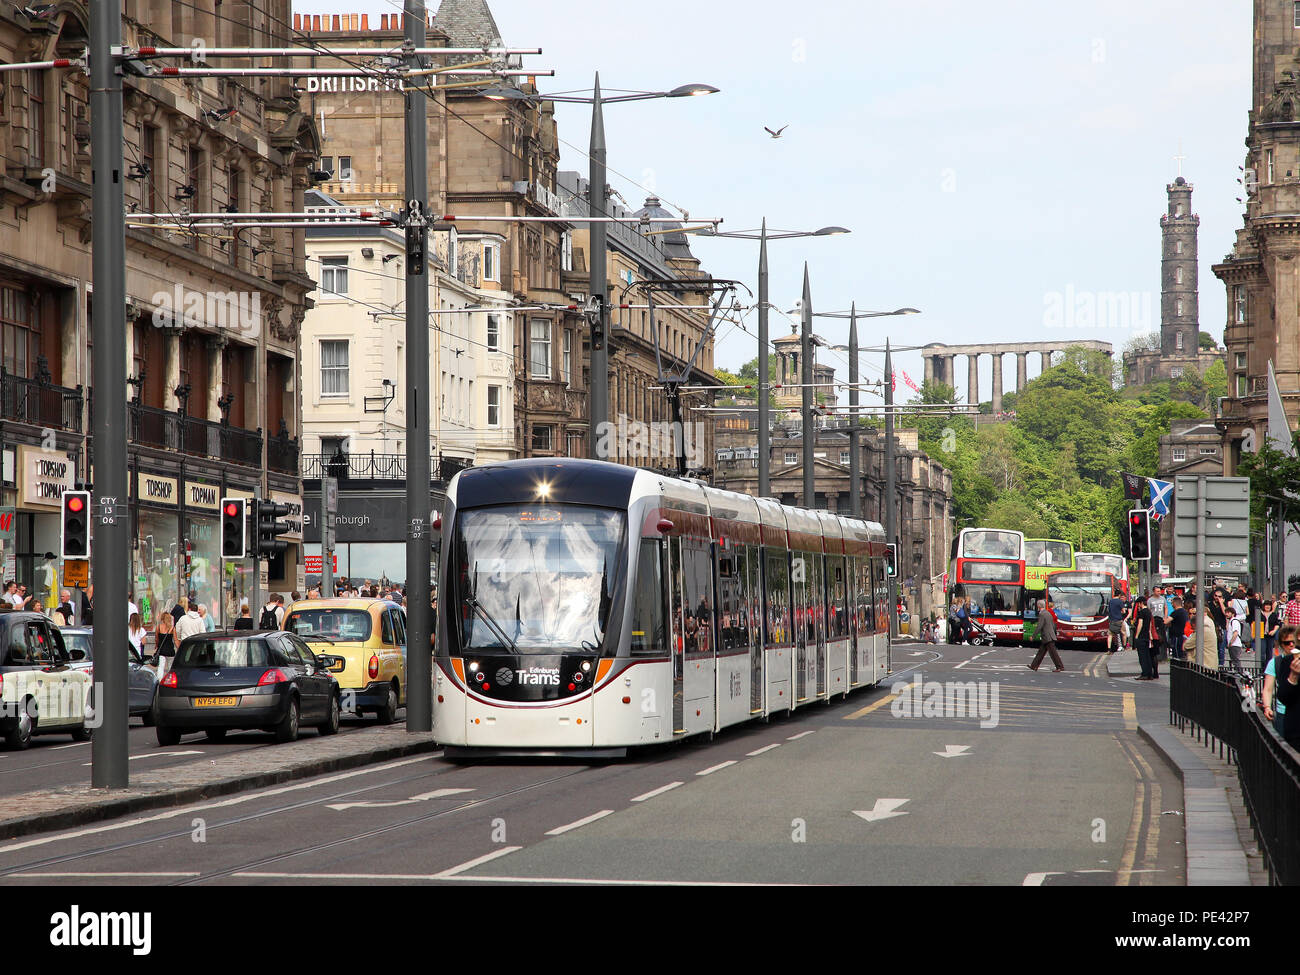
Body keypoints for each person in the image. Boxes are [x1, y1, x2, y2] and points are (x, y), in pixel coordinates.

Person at [1262, 625, 1297, 739]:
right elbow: (1268, 688)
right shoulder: (1276, 662)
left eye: (1294, 642)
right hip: (1283, 712)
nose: (1291, 645)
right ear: (1282, 645)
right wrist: (1267, 707)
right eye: (1287, 643)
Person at [1028, 599, 1064, 672]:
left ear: (1038, 606)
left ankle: (1060, 667)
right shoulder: (1048, 613)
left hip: (1047, 636)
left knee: (1053, 653)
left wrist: (1033, 636)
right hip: (1049, 635)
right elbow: (1053, 624)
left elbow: (1039, 626)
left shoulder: (1042, 614)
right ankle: (1034, 666)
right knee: (1041, 652)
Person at [1133, 596, 1156, 680]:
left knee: (1142, 657)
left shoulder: (1141, 612)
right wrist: (1150, 634)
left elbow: (1140, 624)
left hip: (1141, 636)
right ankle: (1150, 674)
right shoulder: (1149, 612)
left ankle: (1145, 673)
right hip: (1146, 636)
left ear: (1141, 603)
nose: (1138, 606)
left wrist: (1136, 636)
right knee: (1147, 656)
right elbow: (1150, 624)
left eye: (1138, 604)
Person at [153, 612, 176, 683]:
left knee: (161, 666)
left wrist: (156, 645)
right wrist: (179, 647)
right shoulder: (172, 628)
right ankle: (169, 681)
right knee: (170, 666)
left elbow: (156, 638)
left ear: (162, 618)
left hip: (162, 649)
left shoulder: (158, 627)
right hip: (170, 650)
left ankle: (159, 680)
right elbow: (175, 640)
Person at [1165, 597, 1190, 662]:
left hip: (1177, 636)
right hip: (1183, 635)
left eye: (1172, 603)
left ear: (1174, 603)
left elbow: (1166, 622)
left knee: (1176, 653)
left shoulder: (1176, 612)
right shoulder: (1184, 611)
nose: (1172, 605)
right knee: (1181, 653)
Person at [1224, 604, 1245, 673]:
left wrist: (1230, 643)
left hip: (1235, 645)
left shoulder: (1234, 621)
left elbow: (1235, 633)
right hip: (1234, 644)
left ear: (1233, 614)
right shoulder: (1231, 621)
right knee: (1234, 660)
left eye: (1228, 613)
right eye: (1226, 612)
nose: (1226, 614)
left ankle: (1240, 674)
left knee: (1236, 661)